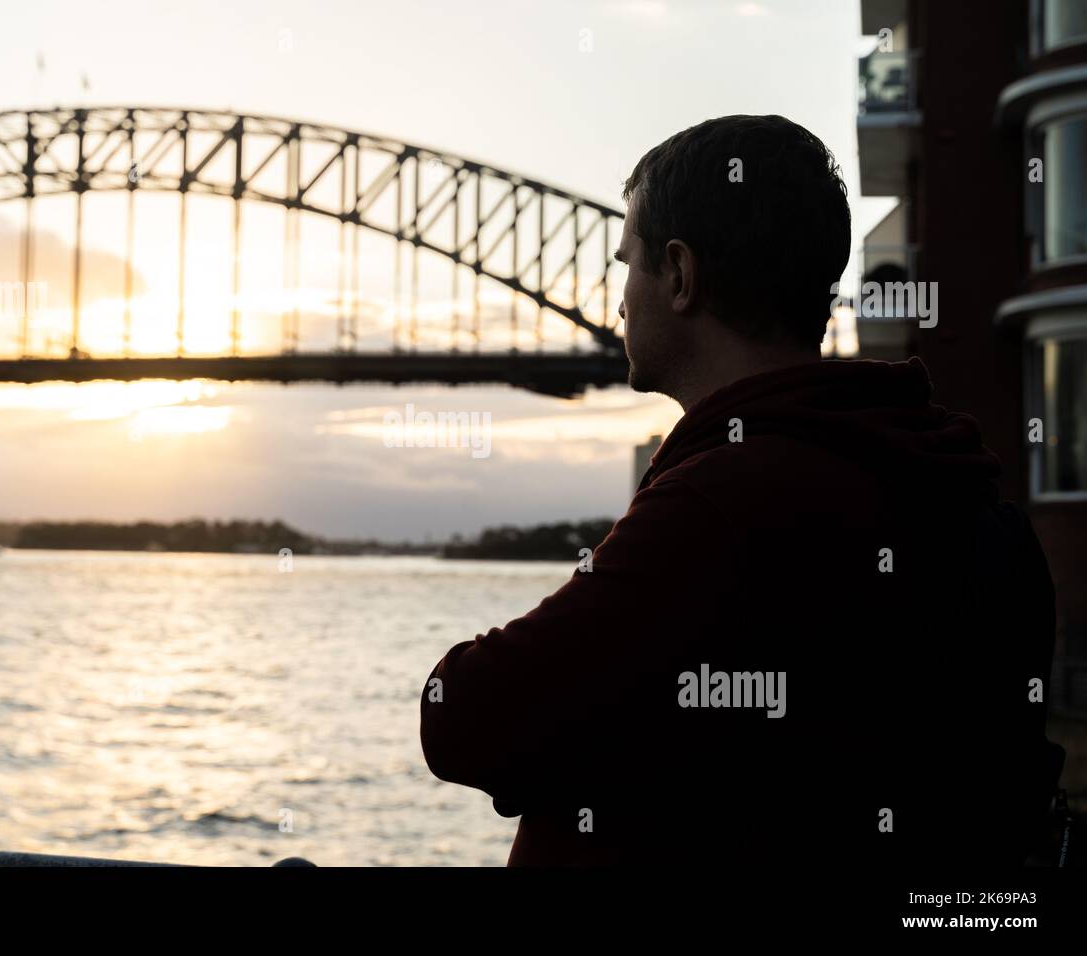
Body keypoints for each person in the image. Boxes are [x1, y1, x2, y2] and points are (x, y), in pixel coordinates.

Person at [419, 115, 1058, 867]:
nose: (620, 302)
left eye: (628, 263)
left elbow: (461, 717)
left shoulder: (719, 505)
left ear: (681, 276)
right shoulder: (961, 494)